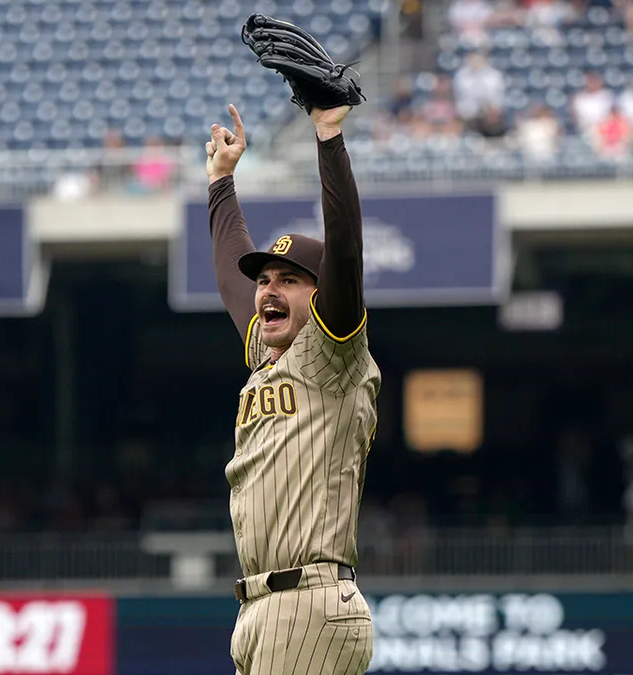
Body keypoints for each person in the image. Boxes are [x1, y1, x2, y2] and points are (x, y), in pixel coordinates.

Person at [204, 102, 381, 675]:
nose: (268, 290)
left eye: (289, 280)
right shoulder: (268, 354)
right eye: (267, 281)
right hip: (261, 608)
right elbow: (235, 276)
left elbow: (346, 249)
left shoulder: (333, 352)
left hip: (310, 600)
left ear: (321, 292)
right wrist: (222, 182)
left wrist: (328, 139)